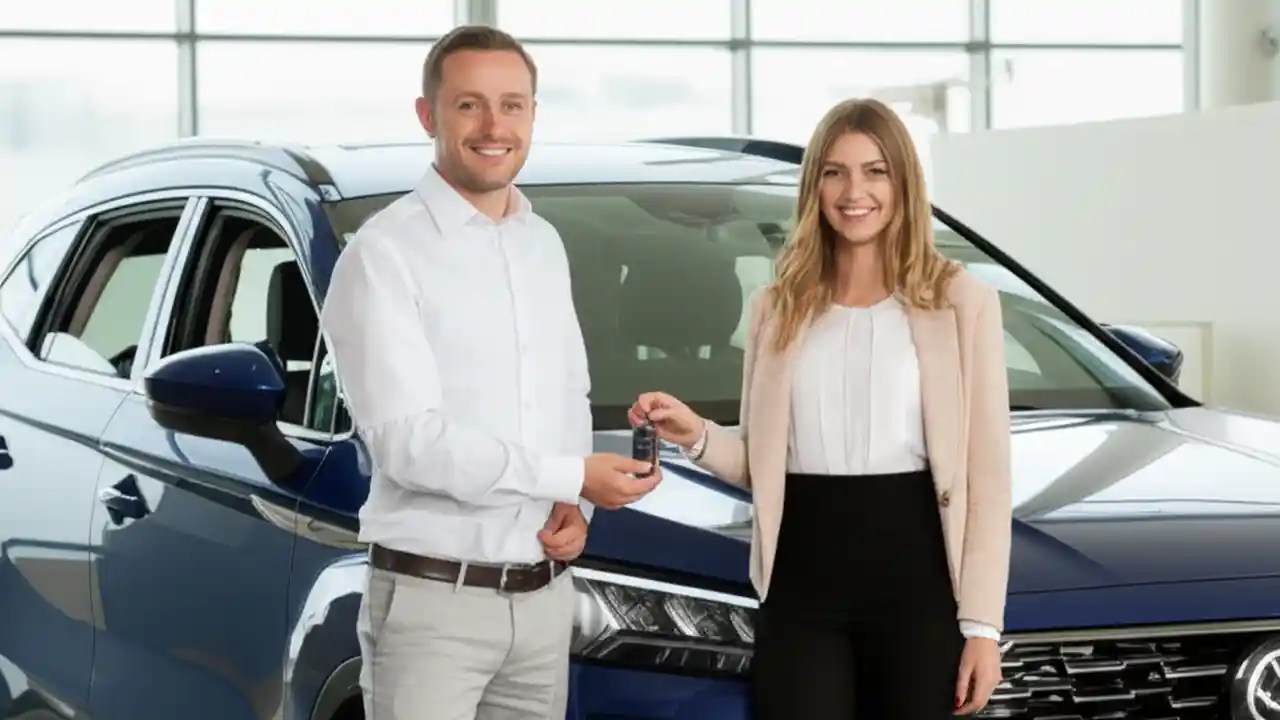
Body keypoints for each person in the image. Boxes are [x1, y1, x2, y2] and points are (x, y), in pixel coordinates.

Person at [629, 98, 1011, 719]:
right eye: (834, 172)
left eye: (874, 171)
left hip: (918, 583)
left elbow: (989, 481)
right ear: (815, 187)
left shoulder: (962, 301)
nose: (853, 190)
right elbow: (762, 463)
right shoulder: (776, 307)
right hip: (802, 584)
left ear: (903, 184)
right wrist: (694, 432)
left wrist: (982, 630)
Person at [320, 24, 660, 720]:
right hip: (432, 608)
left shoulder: (541, 242)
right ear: (428, 115)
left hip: (544, 598)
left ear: (533, 114)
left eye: (513, 104)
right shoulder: (385, 254)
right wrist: (569, 476)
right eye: (469, 104)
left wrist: (576, 505)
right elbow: (407, 442)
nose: (493, 125)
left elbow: (568, 392)